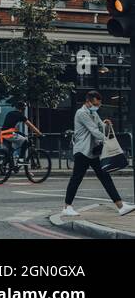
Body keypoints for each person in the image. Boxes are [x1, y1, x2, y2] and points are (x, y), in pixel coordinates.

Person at [63, 90, 134, 218]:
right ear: (88, 102)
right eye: (95, 103)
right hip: (82, 152)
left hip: (93, 152)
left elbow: (100, 126)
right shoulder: (81, 113)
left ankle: (121, 206)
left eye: (99, 104)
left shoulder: (93, 113)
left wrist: (106, 125)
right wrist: (108, 140)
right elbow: (94, 131)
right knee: (76, 179)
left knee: (105, 176)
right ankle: (67, 207)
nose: (97, 106)